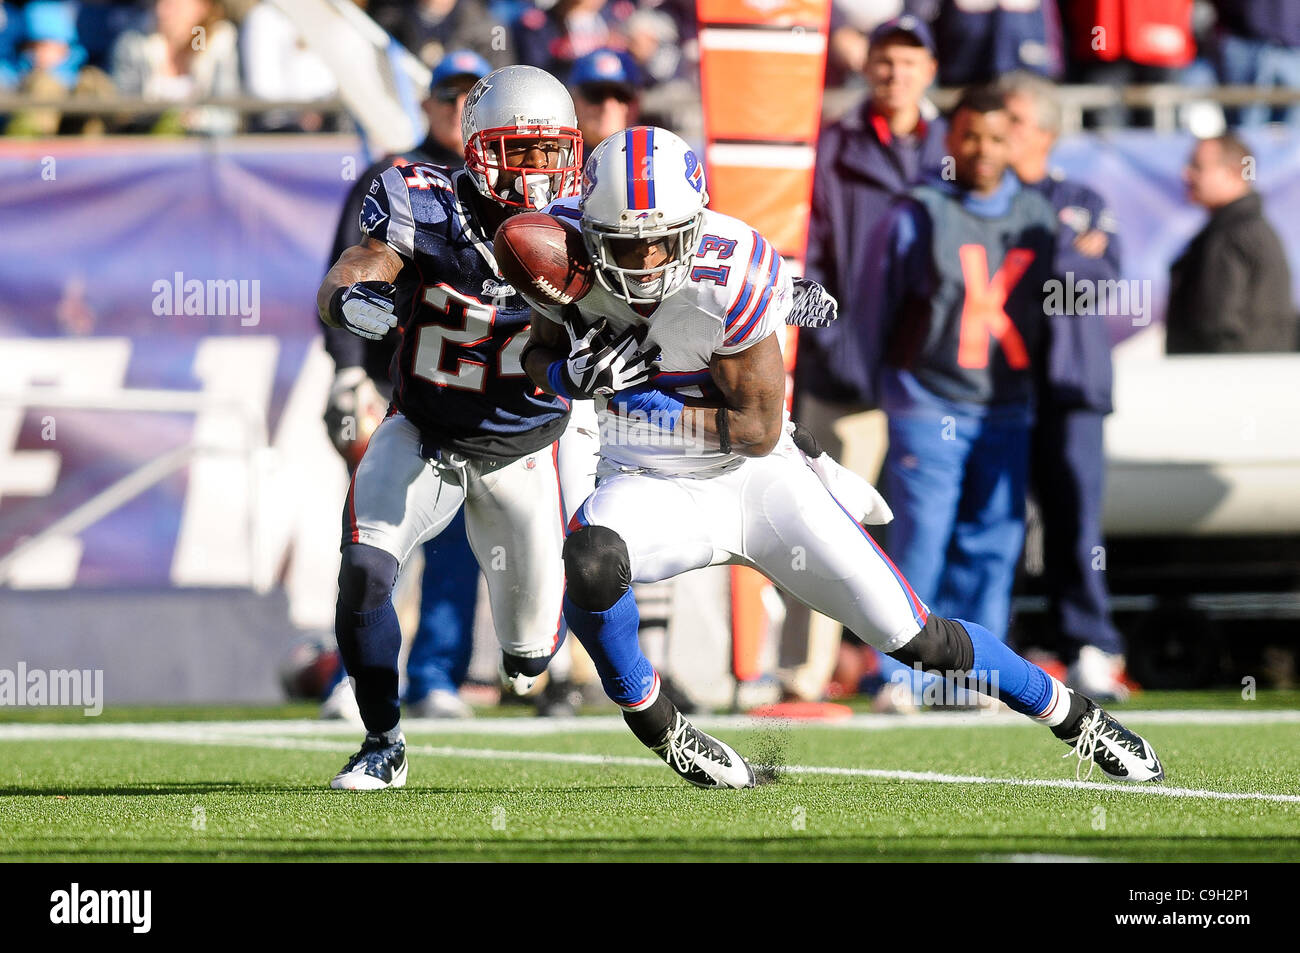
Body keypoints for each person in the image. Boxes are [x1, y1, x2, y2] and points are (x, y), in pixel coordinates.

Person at [522, 125, 1164, 789]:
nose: (646, 258)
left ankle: (1076, 716)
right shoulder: (554, 248)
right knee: (592, 560)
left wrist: (637, 397)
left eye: (661, 238)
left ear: (696, 223)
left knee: (916, 637)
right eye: (624, 241)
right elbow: (536, 353)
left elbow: (757, 429)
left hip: (757, 481)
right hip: (649, 479)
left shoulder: (728, 270)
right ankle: (663, 727)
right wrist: (568, 378)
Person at [316, 65, 587, 789]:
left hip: (522, 452)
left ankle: (527, 659)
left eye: (546, 151)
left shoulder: (588, 218)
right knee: (365, 572)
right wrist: (352, 296)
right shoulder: (422, 198)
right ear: (474, 148)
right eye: (515, 151)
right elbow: (359, 261)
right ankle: (382, 742)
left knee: (530, 655)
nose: (533, 171)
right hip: (424, 431)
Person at [318, 50, 494, 724]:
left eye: (470, 98)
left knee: (459, 535)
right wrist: (346, 372)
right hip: (395, 384)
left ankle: (435, 672)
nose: (457, 110)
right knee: (371, 535)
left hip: (477, 392)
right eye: (448, 97)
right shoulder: (390, 175)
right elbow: (345, 277)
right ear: (426, 103)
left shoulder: (510, 184)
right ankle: (353, 674)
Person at [870, 85, 1056, 704]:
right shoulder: (918, 209)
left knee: (994, 538)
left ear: (1017, 143)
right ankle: (896, 673)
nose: (981, 149)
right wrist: (889, 386)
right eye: (970, 135)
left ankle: (981, 676)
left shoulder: (1039, 214)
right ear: (949, 140)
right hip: (928, 397)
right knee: (920, 536)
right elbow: (878, 304)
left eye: (996, 137)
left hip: (1006, 403)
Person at [783, 14, 947, 706]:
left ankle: (905, 672)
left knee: (918, 526)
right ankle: (801, 677)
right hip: (843, 375)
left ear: (929, 71)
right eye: (884, 59)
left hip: (927, 379)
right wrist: (835, 341)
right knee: (815, 527)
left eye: (909, 61)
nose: (895, 72)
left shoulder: (953, 144)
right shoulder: (833, 144)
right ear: (866, 66)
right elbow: (806, 247)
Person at [999, 72, 1129, 701]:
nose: (1003, 130)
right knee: (992, 523)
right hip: (993, 389)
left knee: (1076, 523)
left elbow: (1099, 277)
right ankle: (991, 647)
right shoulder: (983, 195)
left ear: (1046, 133)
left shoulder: (1080, 194)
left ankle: (1091, 646)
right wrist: (1060, 253)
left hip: (1071, 389)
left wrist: (1039, 257)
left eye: (1016, 120)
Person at [1167, 134, 1298, 353]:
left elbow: (1217, 325)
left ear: (1234, 173)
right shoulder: (1243, 230)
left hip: (1230, 380)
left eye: (1197, 167)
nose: (1186, 174)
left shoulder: (1232, 236)